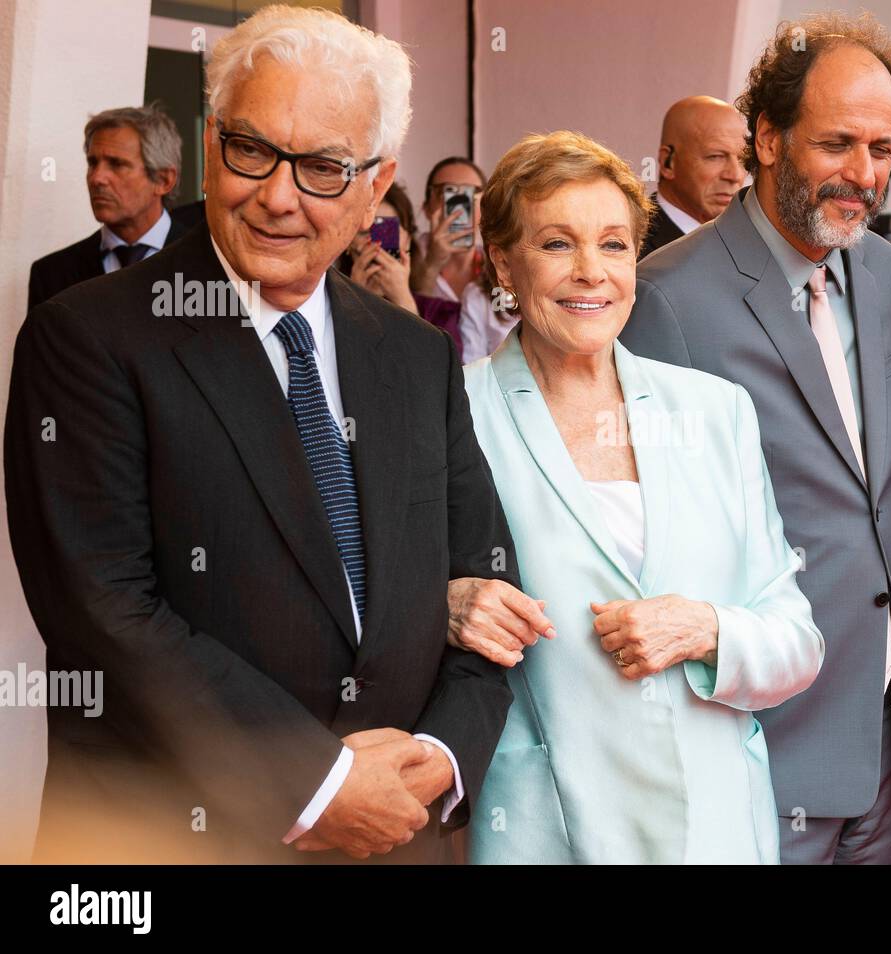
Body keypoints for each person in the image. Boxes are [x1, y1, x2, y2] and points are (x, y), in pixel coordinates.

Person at [5, 5, 515, 864]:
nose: (278, 196)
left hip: (399, 831)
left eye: (322, 167)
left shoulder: (418, 358)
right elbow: (106, 612)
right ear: (210, 141)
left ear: (375, 180)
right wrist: (315, 784)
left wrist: (436, 759)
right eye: (251, 150)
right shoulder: (86, 337)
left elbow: (485, 592)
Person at [456, 130, 823, 864]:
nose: (591, 272)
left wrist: (708, 628)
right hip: (548, 833)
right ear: (504, 260)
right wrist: (446, 604)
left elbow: (797, 642)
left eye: (614, 245)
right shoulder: (456, 414)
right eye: (557, 244)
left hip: (714, 832)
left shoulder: (717, 411)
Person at [621, 12, 891, 864]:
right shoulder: (666, 297)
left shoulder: (884, 269)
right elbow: (644, 531)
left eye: (881, 149)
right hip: (751, 737)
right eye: (836, 144)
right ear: (765, 136)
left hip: (885, 731)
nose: (861, 175)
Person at [27, 104, 192, 310]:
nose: (97, 178)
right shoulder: (52, 273)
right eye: (92, 163)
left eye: (116, 164)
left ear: (163, 180)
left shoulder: (208, 264)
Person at [339, 181, 462, 355]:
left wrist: (404, 302)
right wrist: (356, 302)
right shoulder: (327, 303)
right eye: (366, 231)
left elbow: (448, 377)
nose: (377, 243)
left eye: (387, 231)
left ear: (407, 240)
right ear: (348, 241)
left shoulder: (440, 312)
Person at [414, 157, 512, 362]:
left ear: (484, 209)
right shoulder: (405, 255)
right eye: (447, 192)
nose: (459, 205)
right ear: (426, 206)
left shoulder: (503, 264)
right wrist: (431, 264)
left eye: (470, 193)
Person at [641, 95, 747, 259]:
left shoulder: (748, 246)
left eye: (742, 159)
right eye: (715, 157)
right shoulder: (632, 247)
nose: (735, 175)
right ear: (668, 162)